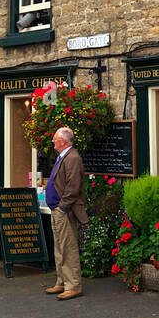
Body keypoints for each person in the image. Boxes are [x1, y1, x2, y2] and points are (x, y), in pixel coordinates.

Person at [44, 126, 88, 300]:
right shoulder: (63, 156)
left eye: (55, 139)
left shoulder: (73, 158)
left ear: (63, 141)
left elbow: (73, 186)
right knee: (59, 247)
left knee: (68, 247)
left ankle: (73, 285)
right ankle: (61, 281)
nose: (53, 141)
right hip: (57, 209)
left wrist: (62, 207)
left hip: (64, 210)